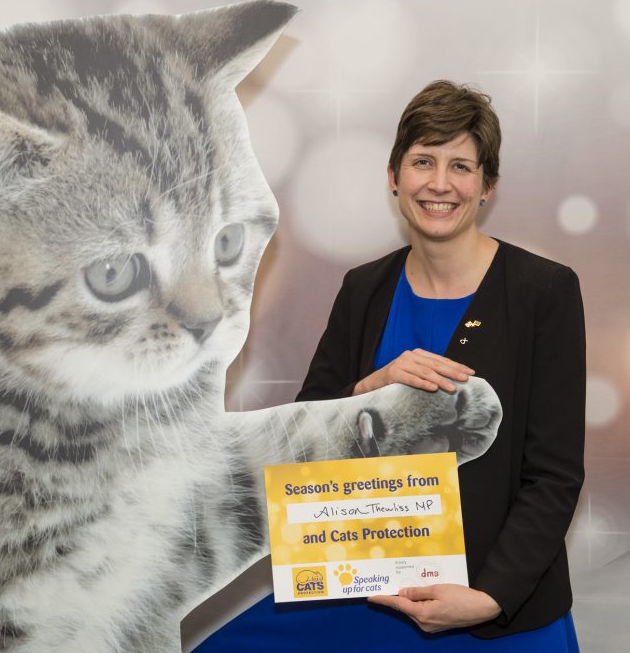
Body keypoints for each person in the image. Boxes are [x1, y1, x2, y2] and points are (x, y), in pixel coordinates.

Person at [196, 80, 585, 651]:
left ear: (486, 187)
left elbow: (554, 475)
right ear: (394, 176)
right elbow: (303, 445)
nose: (439, 183)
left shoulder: (543, 291)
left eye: (461, 166)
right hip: (366, 589)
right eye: (423, 160)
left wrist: (488, 598)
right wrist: (365, 390)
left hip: (488, 604)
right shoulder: (364, 288)